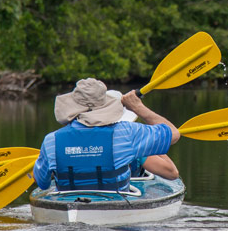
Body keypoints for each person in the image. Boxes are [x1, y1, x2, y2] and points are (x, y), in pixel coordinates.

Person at [32, 78, 180, 192]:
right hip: (115, 207)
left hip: (68, 205)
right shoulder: (127, 133)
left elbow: (43, 184)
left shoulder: (51, 141)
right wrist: (137, 106)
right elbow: (174, 134)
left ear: (74, 106)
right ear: (105, 104)